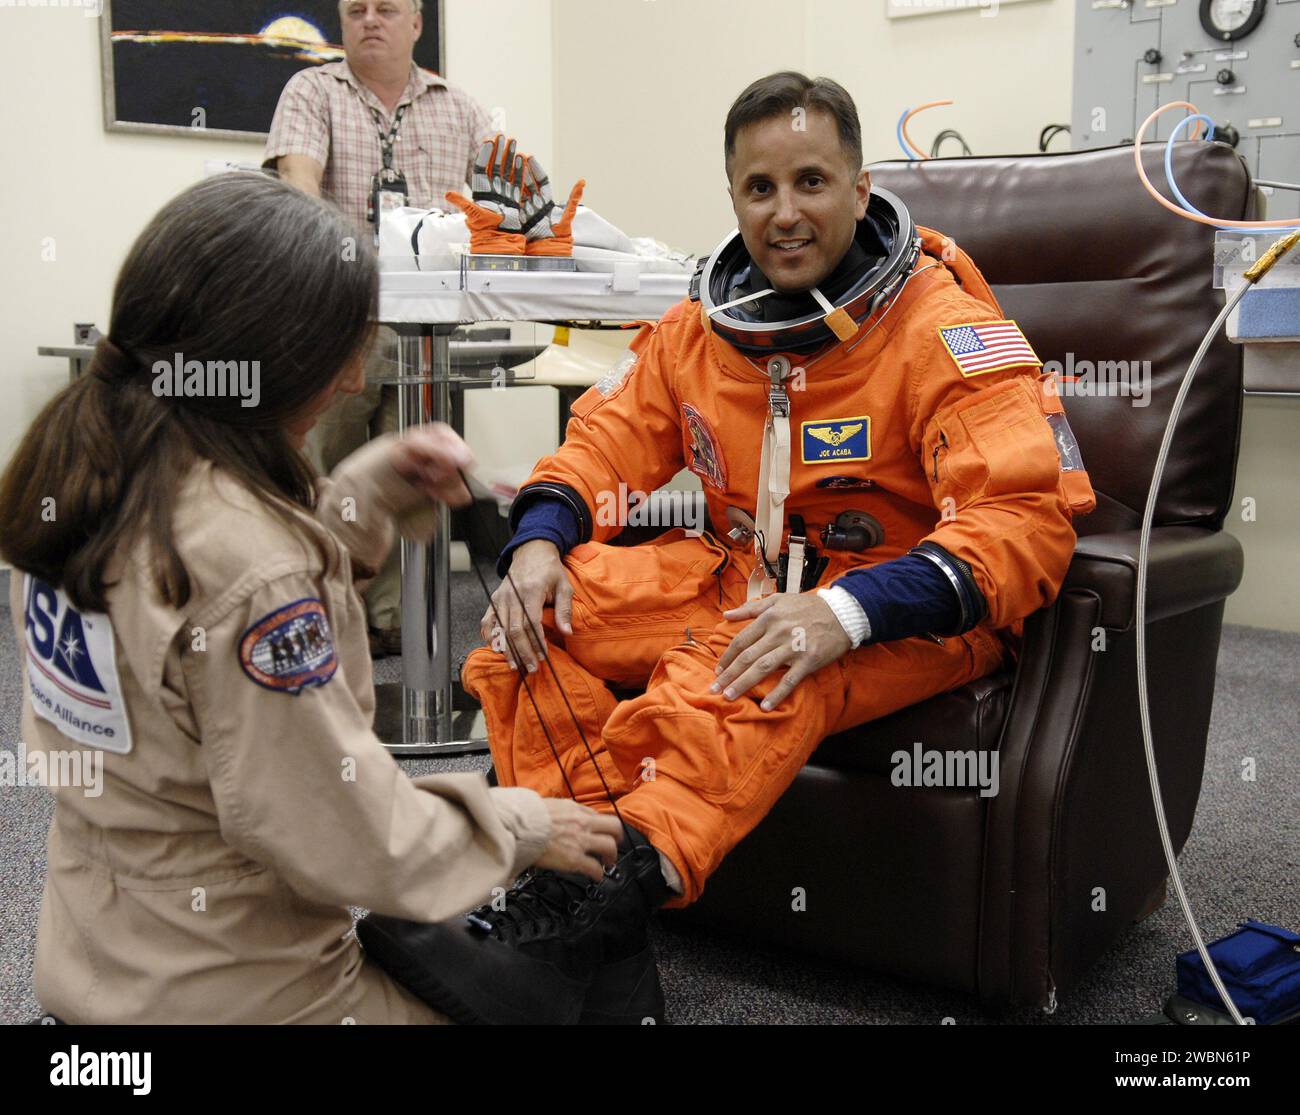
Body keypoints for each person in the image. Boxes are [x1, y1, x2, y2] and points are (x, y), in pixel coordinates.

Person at [355, 71, 1098, 1025]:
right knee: (528, 625)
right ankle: (584, 921)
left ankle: (566, 936)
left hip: (901, 605)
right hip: (736, 572)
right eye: (759, 189)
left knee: (745, 665)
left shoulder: (941, 328)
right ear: (735, 198)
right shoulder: (702, 331)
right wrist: (539, 544)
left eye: (811, 182)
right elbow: (599, 444)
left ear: (860, 189)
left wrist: (842, 611)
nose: (785, 213)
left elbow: (1024, 521)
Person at [0, 173, 620, 1024]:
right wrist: (520, 827)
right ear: (279, 364)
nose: (356, 373)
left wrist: (356, 501)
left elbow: (194, 653)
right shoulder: (251, 567)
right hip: (247, 993)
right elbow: (351, 830)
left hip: (104, 960)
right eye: (346, 348)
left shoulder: (84, 471)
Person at [263, 0, 494, 656]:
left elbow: (501, 202)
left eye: (385, 9)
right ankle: (328, 612)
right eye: (355, 9)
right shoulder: (313, 90)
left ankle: (390, 623)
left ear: (416, 24)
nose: (369, 20)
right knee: (332, 466)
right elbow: (297, 184)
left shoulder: (463, 109)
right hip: (344, 315)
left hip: (428, 324)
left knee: (410, 471)